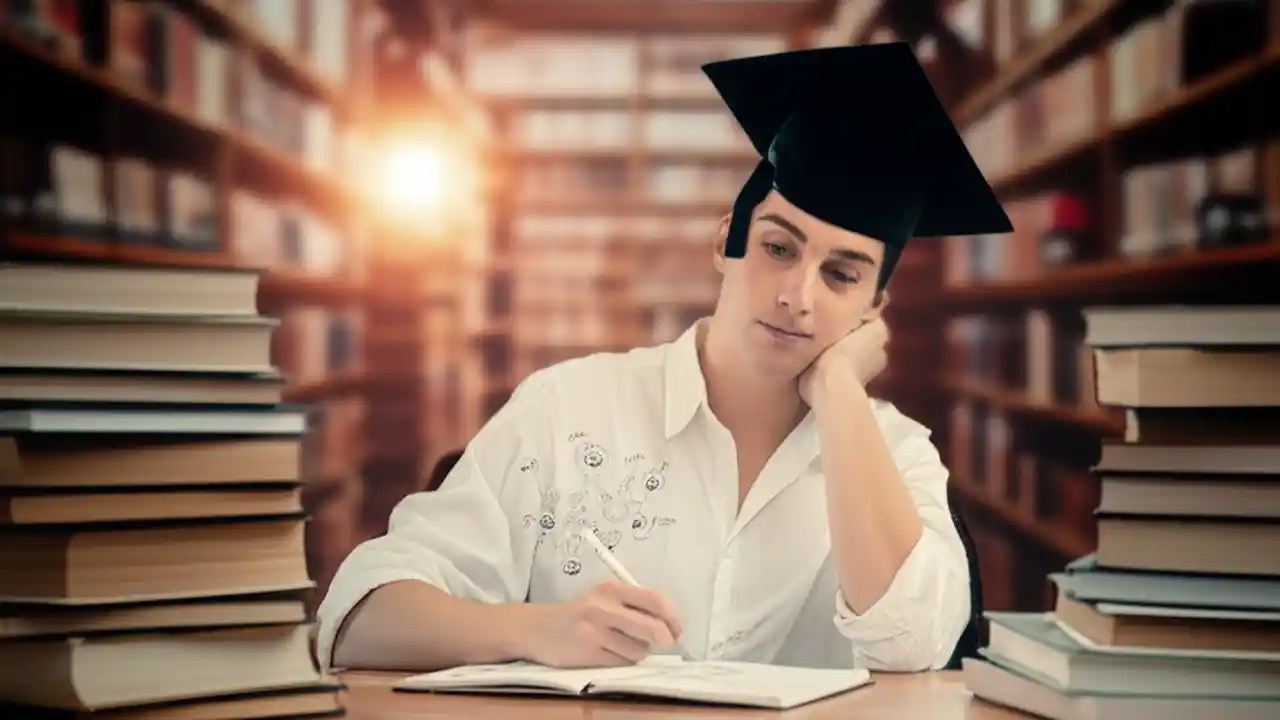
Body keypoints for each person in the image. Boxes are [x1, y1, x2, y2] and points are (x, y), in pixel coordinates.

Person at [316, 43, 1011, 674]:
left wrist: (837, 390)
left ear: (874, 308)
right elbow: (358, 619)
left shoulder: (898, 456)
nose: (798, 295)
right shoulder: (568, 409)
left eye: (841, 275)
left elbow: (918, 644)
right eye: (778, 247)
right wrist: (534, 629)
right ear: (724, 243)